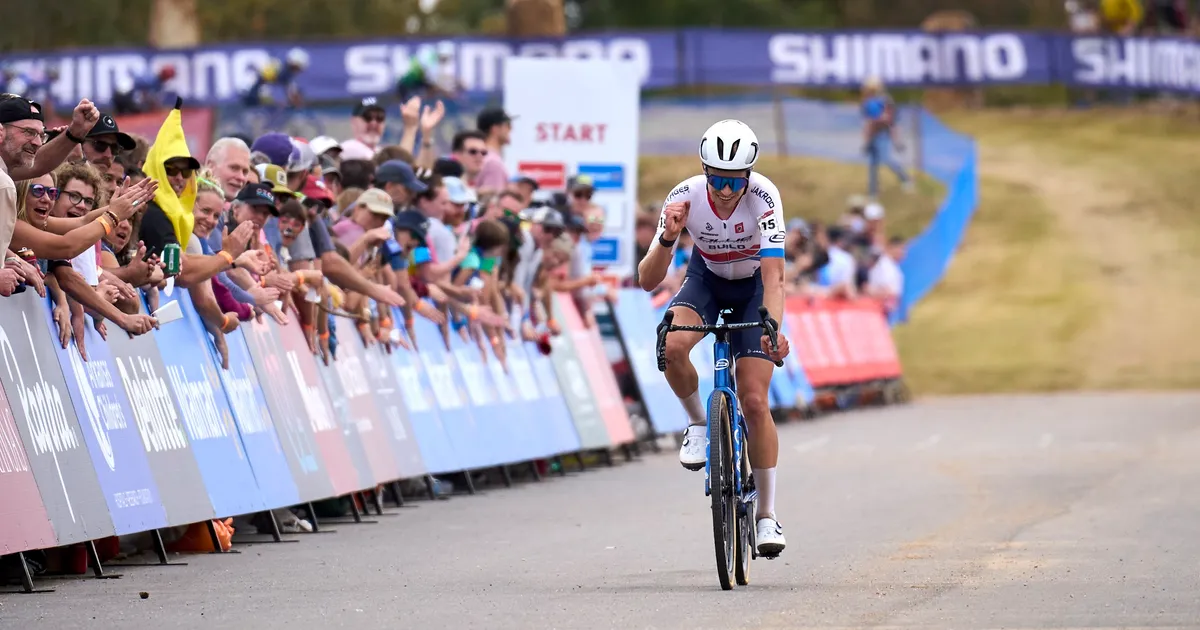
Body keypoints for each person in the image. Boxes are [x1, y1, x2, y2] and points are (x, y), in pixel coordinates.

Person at [636, 119, 791, 557]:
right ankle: (699, 424)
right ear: (704, 172)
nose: (725, 190)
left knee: (754, 400)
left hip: (753, 288)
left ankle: (767, 515)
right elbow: (647, 280)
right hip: (706, 279)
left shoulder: (764, 197)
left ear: (748, 176)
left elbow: (775, 278)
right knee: (671, 344)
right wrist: (668, 237)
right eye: (717, 179)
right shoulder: (683, 196)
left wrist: (772, 329)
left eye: (735, 181)